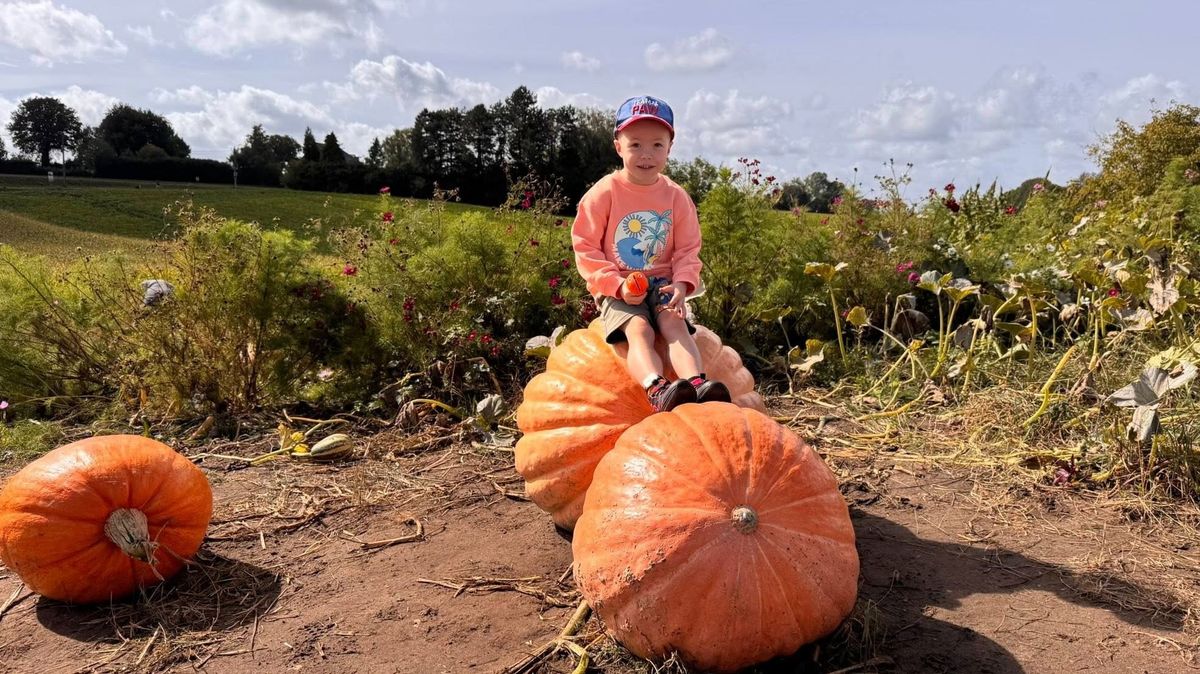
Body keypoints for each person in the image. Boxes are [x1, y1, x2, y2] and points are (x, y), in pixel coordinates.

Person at [571, 95, 730, 412]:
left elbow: (687, 248)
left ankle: (696, 384)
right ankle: (656, 387)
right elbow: (585, 245)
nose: (647, 155)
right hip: (618, 286)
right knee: (638, 330)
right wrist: (615, 286)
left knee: (674, 324)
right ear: (618, 147)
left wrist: (683, 285)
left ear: (670, 148)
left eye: (657, 145)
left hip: (664, 284)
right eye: (635, 145)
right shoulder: (604, 193)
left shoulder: (675, 197)